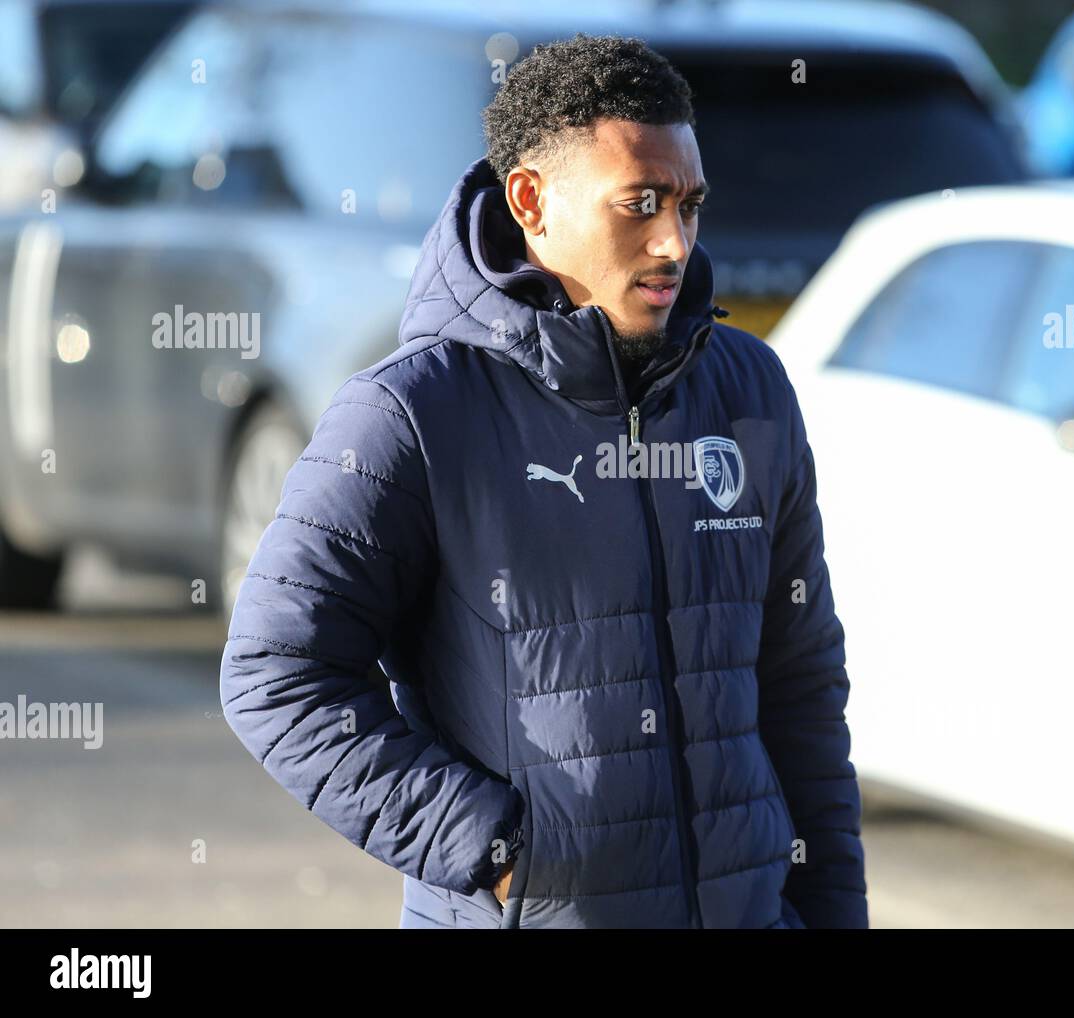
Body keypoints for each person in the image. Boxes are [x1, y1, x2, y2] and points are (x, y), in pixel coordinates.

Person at [219, 32, 868, 929]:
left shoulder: (749, 389)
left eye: (689, 203)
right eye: (639, 202)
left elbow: (800, 683)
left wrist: (831, 914)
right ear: (531, 200)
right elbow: (277, 673)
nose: (674, 240)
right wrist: (490, 847)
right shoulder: (411, 413)